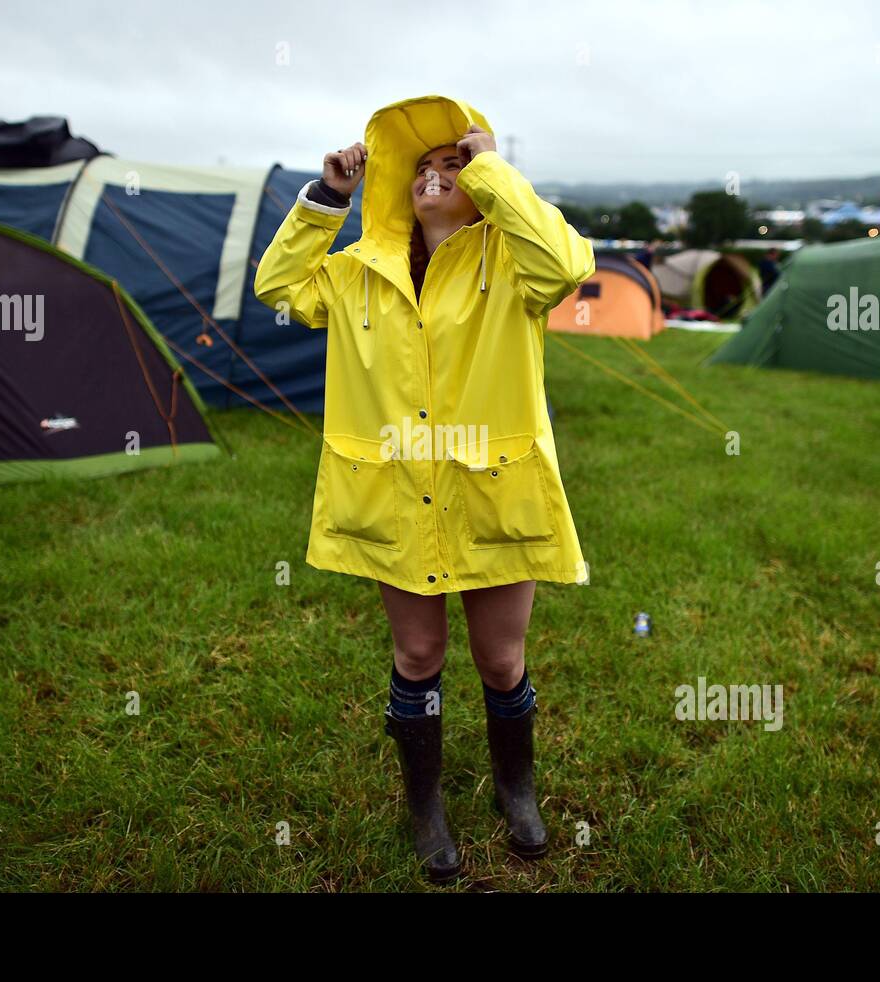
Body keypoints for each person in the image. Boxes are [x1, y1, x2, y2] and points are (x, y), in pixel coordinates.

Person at [254, 95, 593, 883]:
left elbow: (570, 262)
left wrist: (494, 165)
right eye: (425, 167)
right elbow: (278, 286)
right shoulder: (353, 275)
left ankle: (517, 787)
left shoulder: (513, 265)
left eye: (455, 166)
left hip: (492, 495)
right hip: (395, 499)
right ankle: (427, 804)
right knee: (418, 652)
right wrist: (328, 200)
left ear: (481, 185)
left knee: (501, 660)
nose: (437, 175)